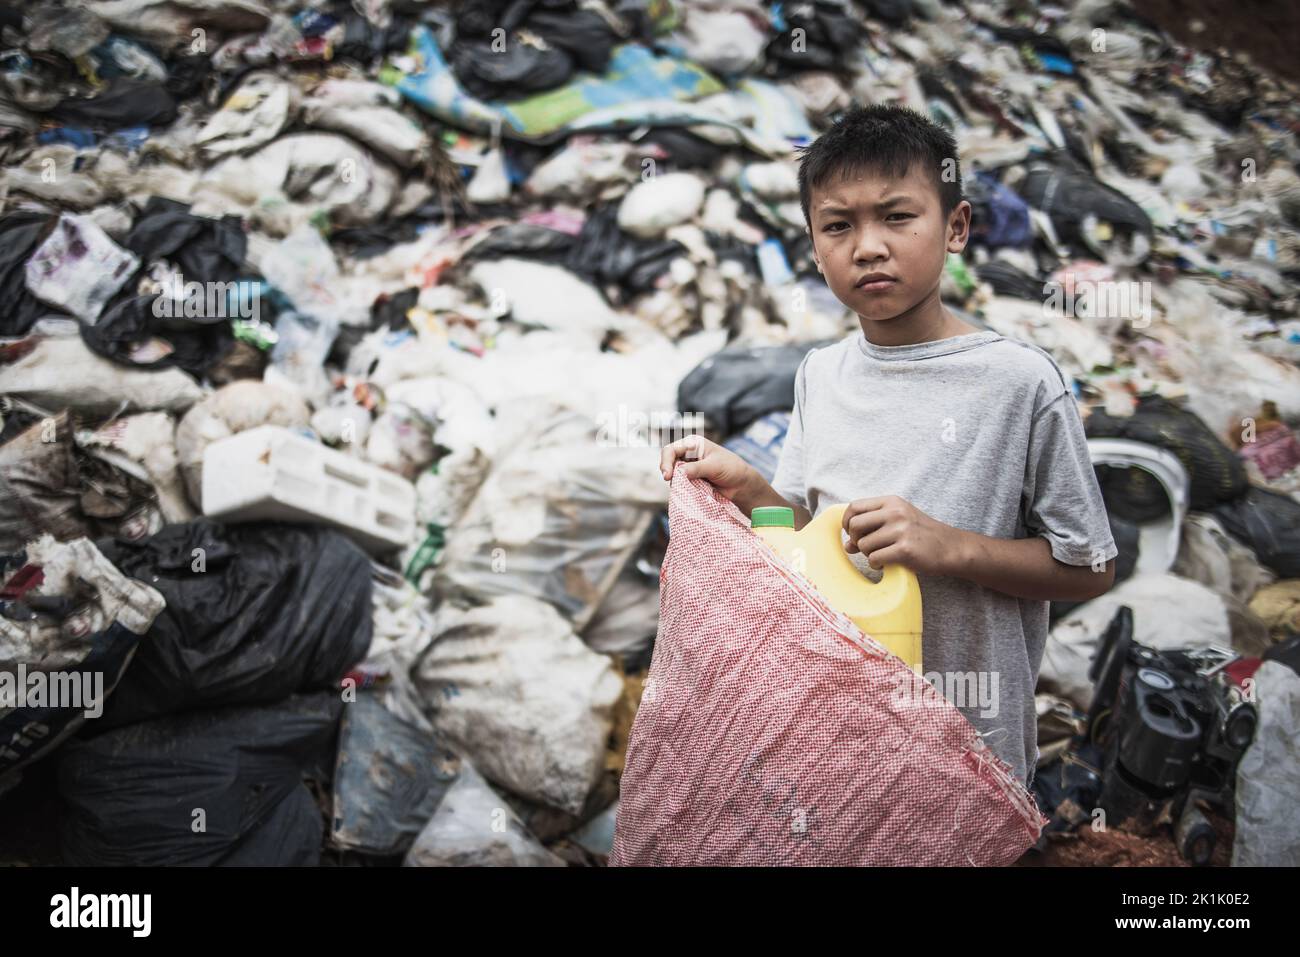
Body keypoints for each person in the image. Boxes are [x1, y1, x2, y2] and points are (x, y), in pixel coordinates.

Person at [659, 104, 1116, 791]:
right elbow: (817, 541)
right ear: (814, 247)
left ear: (955, 226)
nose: (867, 246)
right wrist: (747, 486)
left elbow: (1088, 567)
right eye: (838, 225)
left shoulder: (1020, 383)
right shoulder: (821, 373)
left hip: (967, 742)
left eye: (897, 217)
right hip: (836, 725)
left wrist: (948, 545)